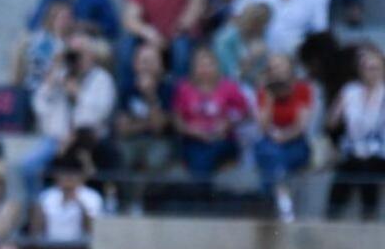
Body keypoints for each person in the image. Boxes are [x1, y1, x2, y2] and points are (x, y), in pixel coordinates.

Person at [21, 32, 117, 197]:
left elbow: (99, 113)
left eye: (79, 53)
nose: (76, 58)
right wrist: (51, 80)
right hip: (56, 139)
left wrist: (77, 94)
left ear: (91, 55)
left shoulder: (102, 79)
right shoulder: (59, 75)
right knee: (28, 167)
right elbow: (39, 107)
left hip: (87, 140)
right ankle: (38, 206)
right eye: (72, 53)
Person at [120, 0, 206, 88]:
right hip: (152, 38)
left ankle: (178, 99)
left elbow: (197, 1)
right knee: (126, 47)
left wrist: (181, 26)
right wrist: (148, 33)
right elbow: (130, 18)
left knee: (181, 49)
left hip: (181, 35)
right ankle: (126, 100)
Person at [172, 46, 250, 182]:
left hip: (222, 139)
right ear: (193, 68)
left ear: (217, 66)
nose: (205, 69)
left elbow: (244, 112)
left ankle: (202, 193)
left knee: (205, 158)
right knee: (200, 156)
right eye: (201, 65)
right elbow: (177, 121)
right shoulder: (183, 88)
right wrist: (193, 131)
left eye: (209, 65)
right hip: (194, 140)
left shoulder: (229, 87)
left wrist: (228, 123)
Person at [326, 48, 385, 219]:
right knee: (347, 170)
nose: (370, 73)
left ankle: (369, 215)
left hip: (379, 151)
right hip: (353, 149)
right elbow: (331, 123)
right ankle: (332, 216)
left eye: (375, 68)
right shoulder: (350, 92)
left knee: (368, 169)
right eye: (367, 68)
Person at [253, 53, 312, 221]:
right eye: (272, 67)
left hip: (295, 141)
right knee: (269, 152)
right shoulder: (263, 92)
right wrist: (270, 98)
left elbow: (302, 125)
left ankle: (275, 201)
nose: (276, 70)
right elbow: (263, 127)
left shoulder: (302, 89)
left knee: (274, 159)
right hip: (270, 141)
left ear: (290, 68)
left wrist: (284, 136)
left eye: (280, 66)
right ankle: (283, 202)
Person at [114, 43, 175, 177]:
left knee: (156, 160)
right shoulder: (126, 88)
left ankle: (153, 198)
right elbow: (123, 130)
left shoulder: (168, 89)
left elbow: (159, 128)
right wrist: (147, 124)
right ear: (135, 64)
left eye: (152, 62)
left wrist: (150, 95)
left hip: (158, 140)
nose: (147, 67)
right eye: (143, 62)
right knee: (120, 158)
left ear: (160, 66)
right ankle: (127, 198)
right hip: (130, 141)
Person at [31, 155, 103, 241]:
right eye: (64, 174)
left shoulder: (92, 197)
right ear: (57, 176)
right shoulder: (46, 196)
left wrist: (80, 205)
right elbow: (36, 232)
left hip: (80, 248)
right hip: (50, 246)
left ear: (81, 176)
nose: (68, 178)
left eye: (73, 174)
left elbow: (93, 231)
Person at [14, 1, 74, 94]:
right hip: (36, 90)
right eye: (63, 18)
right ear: (52, 19)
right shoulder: (41, 41)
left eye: (69, 18)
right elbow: (40, 68)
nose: (67, 22)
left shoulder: (71, 41)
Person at [212, 1, 271, 87]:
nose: (261, 28)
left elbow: (260, 75)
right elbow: (231, 77)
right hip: (224, 87)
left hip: (250, 87)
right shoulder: (226, 39)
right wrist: (251, 59)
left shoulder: (259, 41)